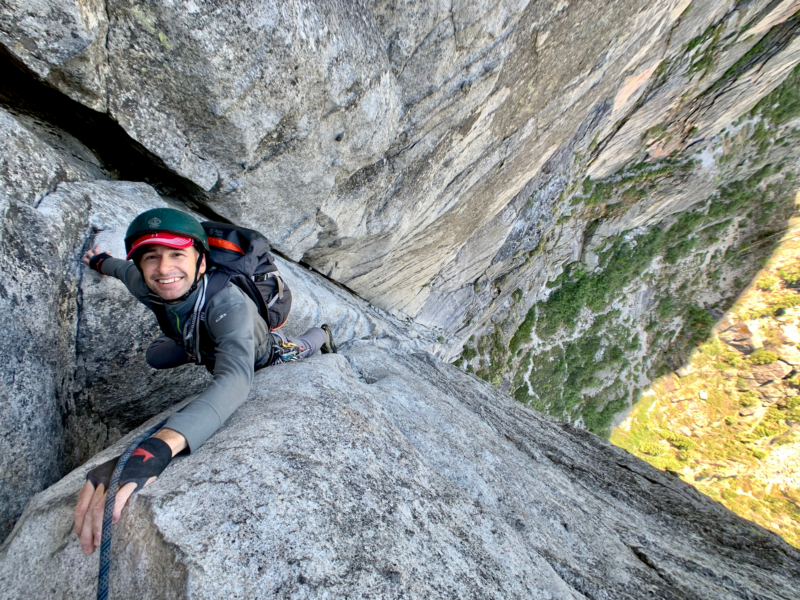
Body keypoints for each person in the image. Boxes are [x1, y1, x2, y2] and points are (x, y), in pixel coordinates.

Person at [72, 208, 335, 555]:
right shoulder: (145, 281)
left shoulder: (230, 305)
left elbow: (236, 380)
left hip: (256, 353)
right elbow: (121, 270)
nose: (164, 269)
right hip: (203, 340)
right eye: (151, 257)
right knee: (155, 356)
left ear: (201, 262)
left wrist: (159, 446)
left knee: (295, 350)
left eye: (177, 254)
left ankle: (323, 334)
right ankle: (201, 346)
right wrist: (99, 260)